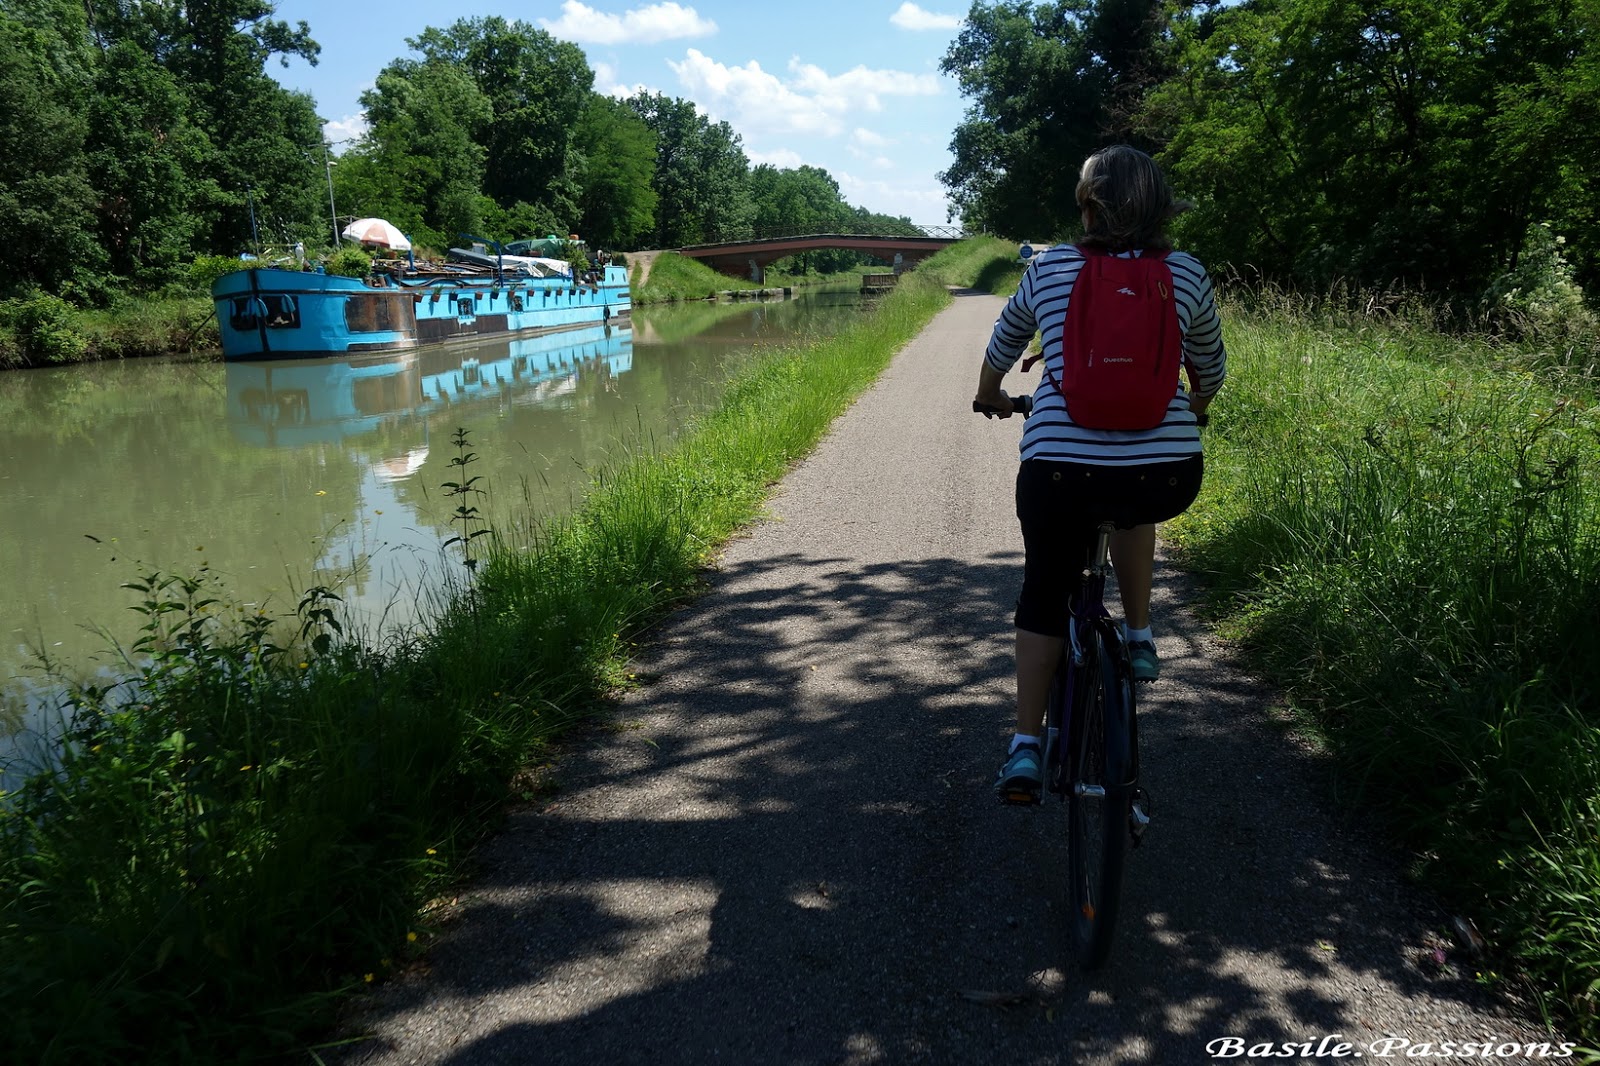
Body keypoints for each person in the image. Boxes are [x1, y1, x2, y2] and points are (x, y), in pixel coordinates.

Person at [974, 144, 1226, 801]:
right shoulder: (1189, 273)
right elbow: (1211, 367)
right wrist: (1192, 408)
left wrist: (989, 393)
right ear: (1161, 207)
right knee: (1133, 500)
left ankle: (1027, 746)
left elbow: (1003, 343)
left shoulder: (1051, 266)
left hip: (1060, 470)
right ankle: (1140, 638)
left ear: (1087, 205)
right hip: (1165, 470)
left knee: (1043, 589)